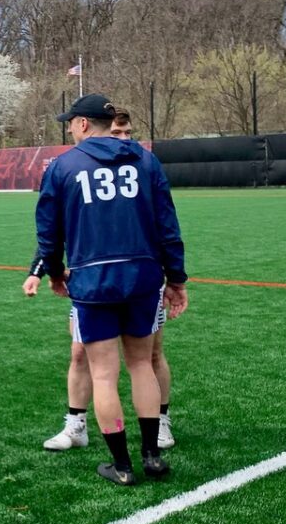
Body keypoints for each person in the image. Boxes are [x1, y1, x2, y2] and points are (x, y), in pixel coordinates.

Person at [24, 94, 188, 486]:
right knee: (140, 365)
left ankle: (123, 465)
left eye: (70, 122)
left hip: (93, 281)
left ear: (83, 124)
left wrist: (54, 275)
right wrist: (176, 279)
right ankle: (150, 456)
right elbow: (168, 224)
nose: (68, 128)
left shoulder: (63, 166)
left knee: (103, 375)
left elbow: (49, 233)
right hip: (142, 278)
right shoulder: (145, 160)